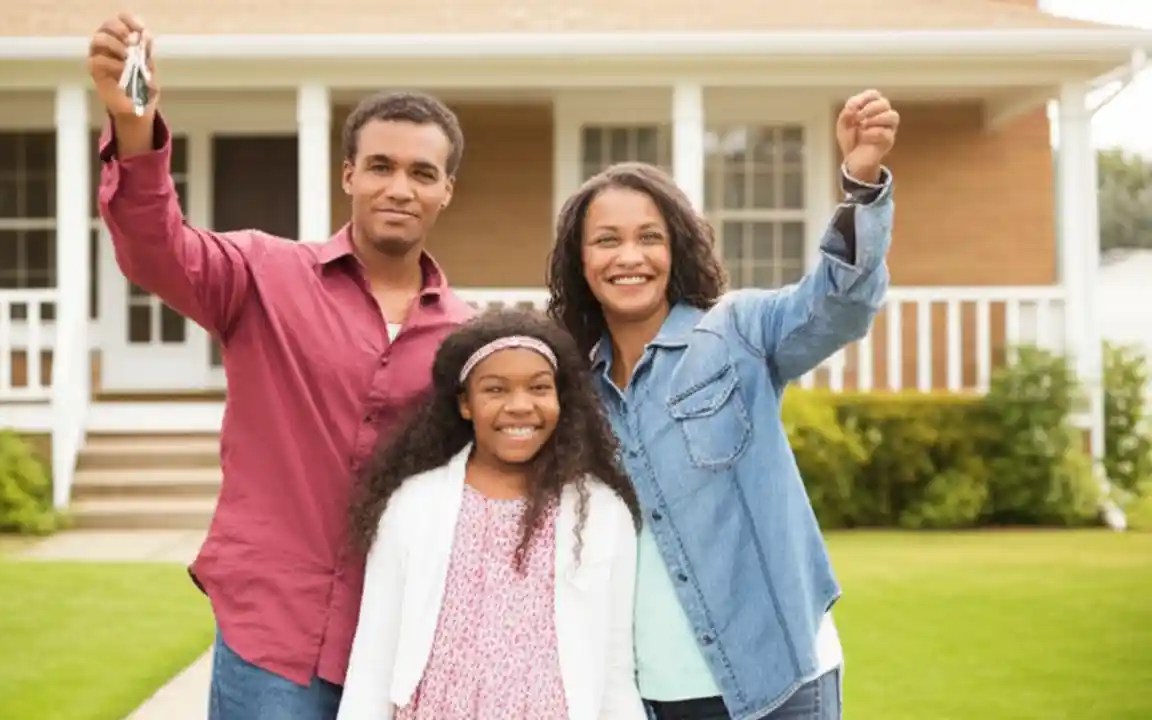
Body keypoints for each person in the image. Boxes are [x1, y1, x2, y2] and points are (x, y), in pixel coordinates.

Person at [87, 12, 475, 719]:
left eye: (423, 173)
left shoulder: (468, 339)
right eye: (382, 166)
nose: (399, 187)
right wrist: (134, 123)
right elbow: (154, 246)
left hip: (399, 635)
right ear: (350, 174)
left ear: (446, 190)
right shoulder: (262, 275)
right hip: (273, 629)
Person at [545, 91, 900, 720]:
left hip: (780, 679)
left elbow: (837, 304)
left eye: (649, 237)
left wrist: (862, 186)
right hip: (648, 695)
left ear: (675, 248)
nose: (630, 257)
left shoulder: (736, 333)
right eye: (606, 240)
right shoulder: (572, 390)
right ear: (582, 261)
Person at [336, 309, 647, 720]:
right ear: (465, 404)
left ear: (560, 398)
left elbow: (614, 670)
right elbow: (373, 659)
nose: (520, 406)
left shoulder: (601, 513)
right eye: (496, 390)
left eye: (538, 388)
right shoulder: (413, 505)